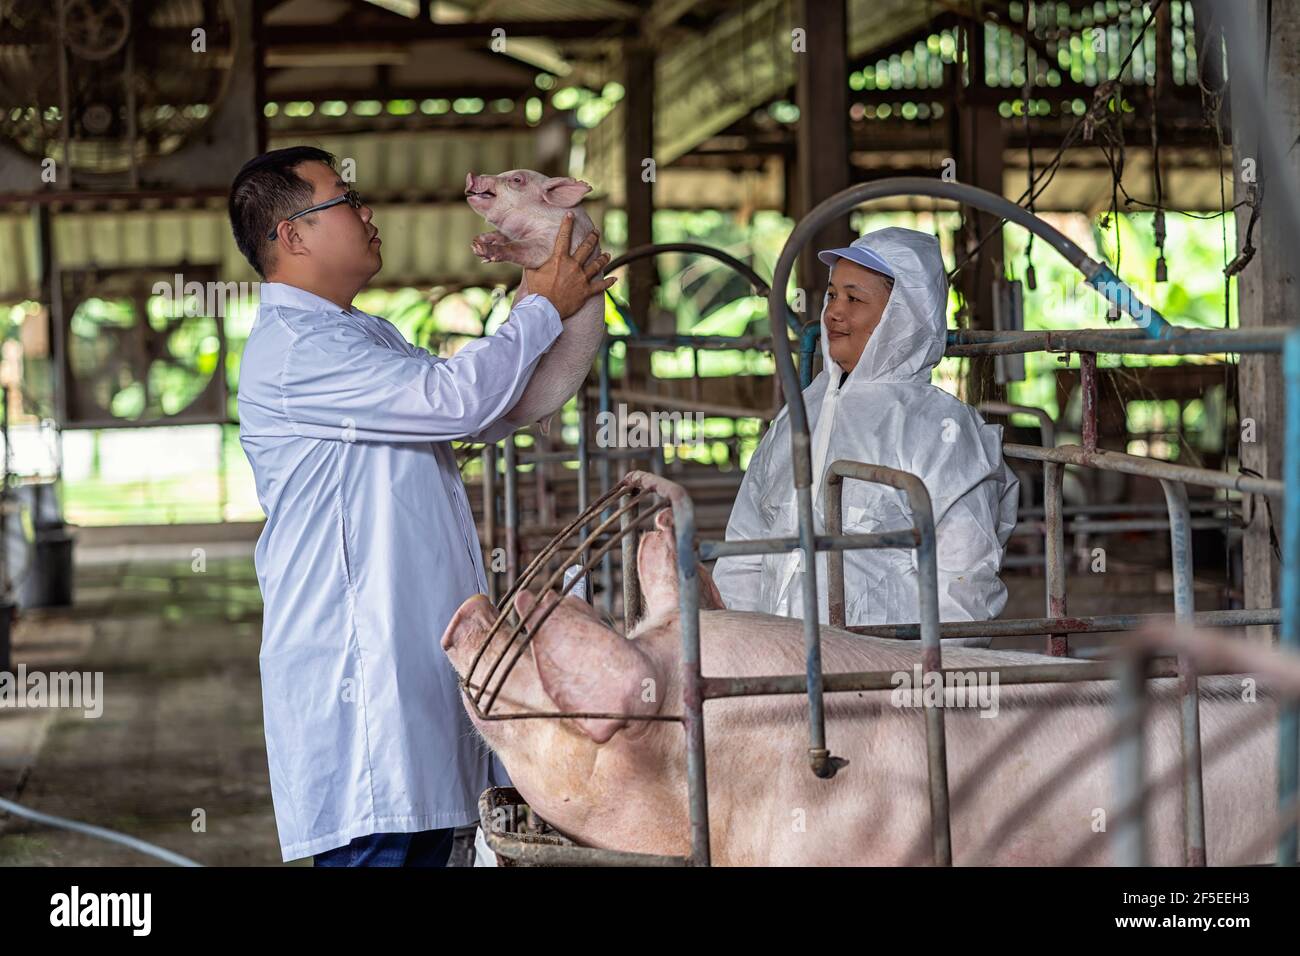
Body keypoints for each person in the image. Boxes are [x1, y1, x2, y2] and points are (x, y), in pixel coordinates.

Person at [228, 146, 614, 865]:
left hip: (414, 685)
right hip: (367, 700)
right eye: (345, 199)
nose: (367, 211)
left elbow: (490, 405)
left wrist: (557, 293)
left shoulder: (360, 335)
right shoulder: (297, 350)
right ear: (294, 235)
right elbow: (458, 400)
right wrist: (539, 307)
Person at [712, 227, 1017, 643]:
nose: (834, 312)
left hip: (880, 684)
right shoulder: (798, 415)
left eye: (854, 299)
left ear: (903, 316)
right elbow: (745, 548)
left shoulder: (942, 431)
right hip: (778, 673)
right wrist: (738, 650)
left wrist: (916, 691)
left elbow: (963, 589)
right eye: (832, 295)